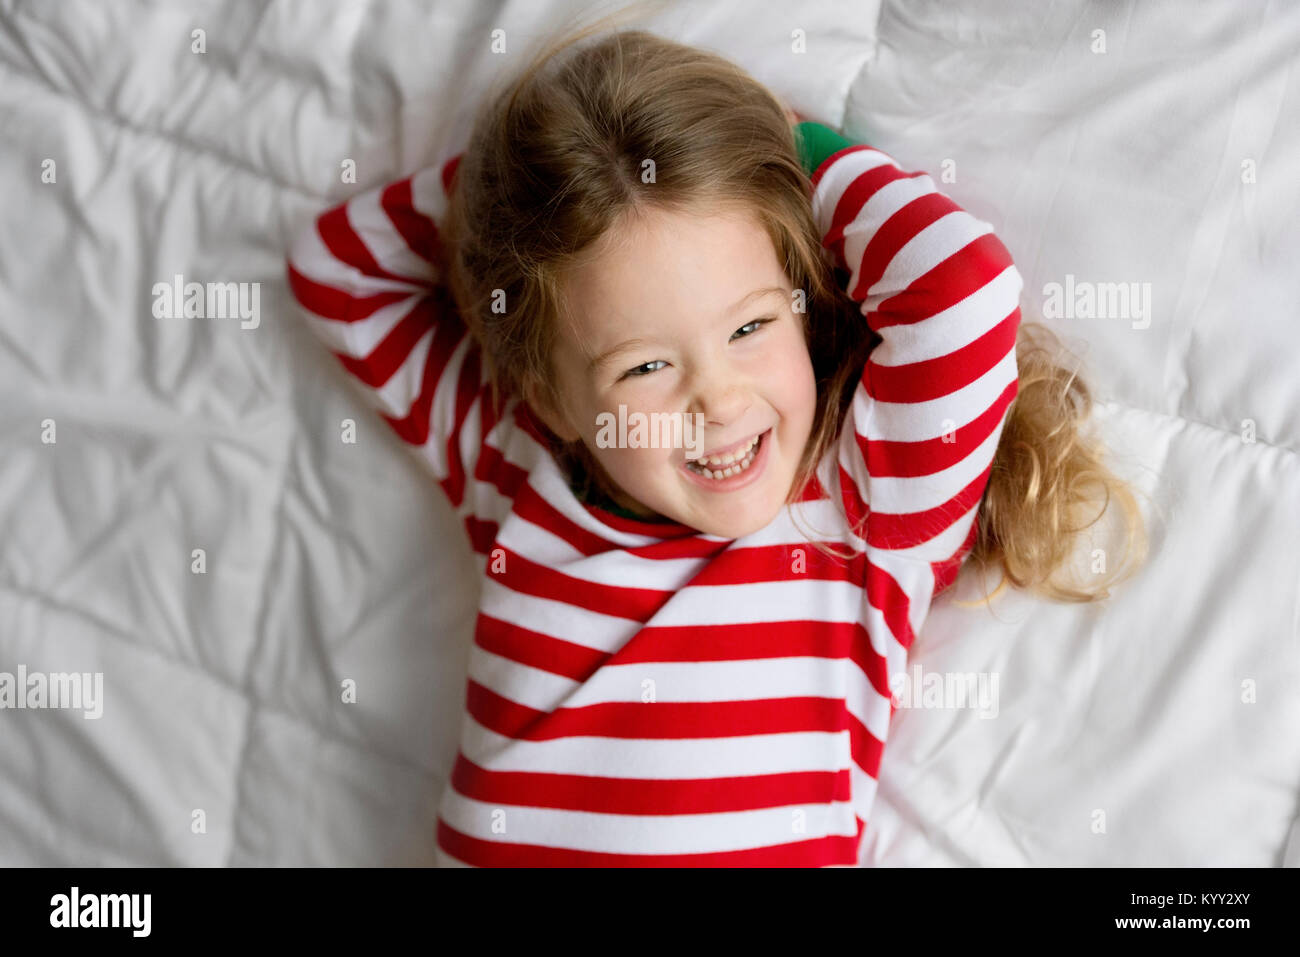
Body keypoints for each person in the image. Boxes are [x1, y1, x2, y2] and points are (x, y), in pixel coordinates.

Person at [286, 28, 1145, 867]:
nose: (720, 400)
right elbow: (336, 270)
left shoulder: (860, 505)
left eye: (751, 325)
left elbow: (961, 288)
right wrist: (549, 183)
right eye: (646, 365)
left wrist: (777, 148)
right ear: (554, 396)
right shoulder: (515, 461)